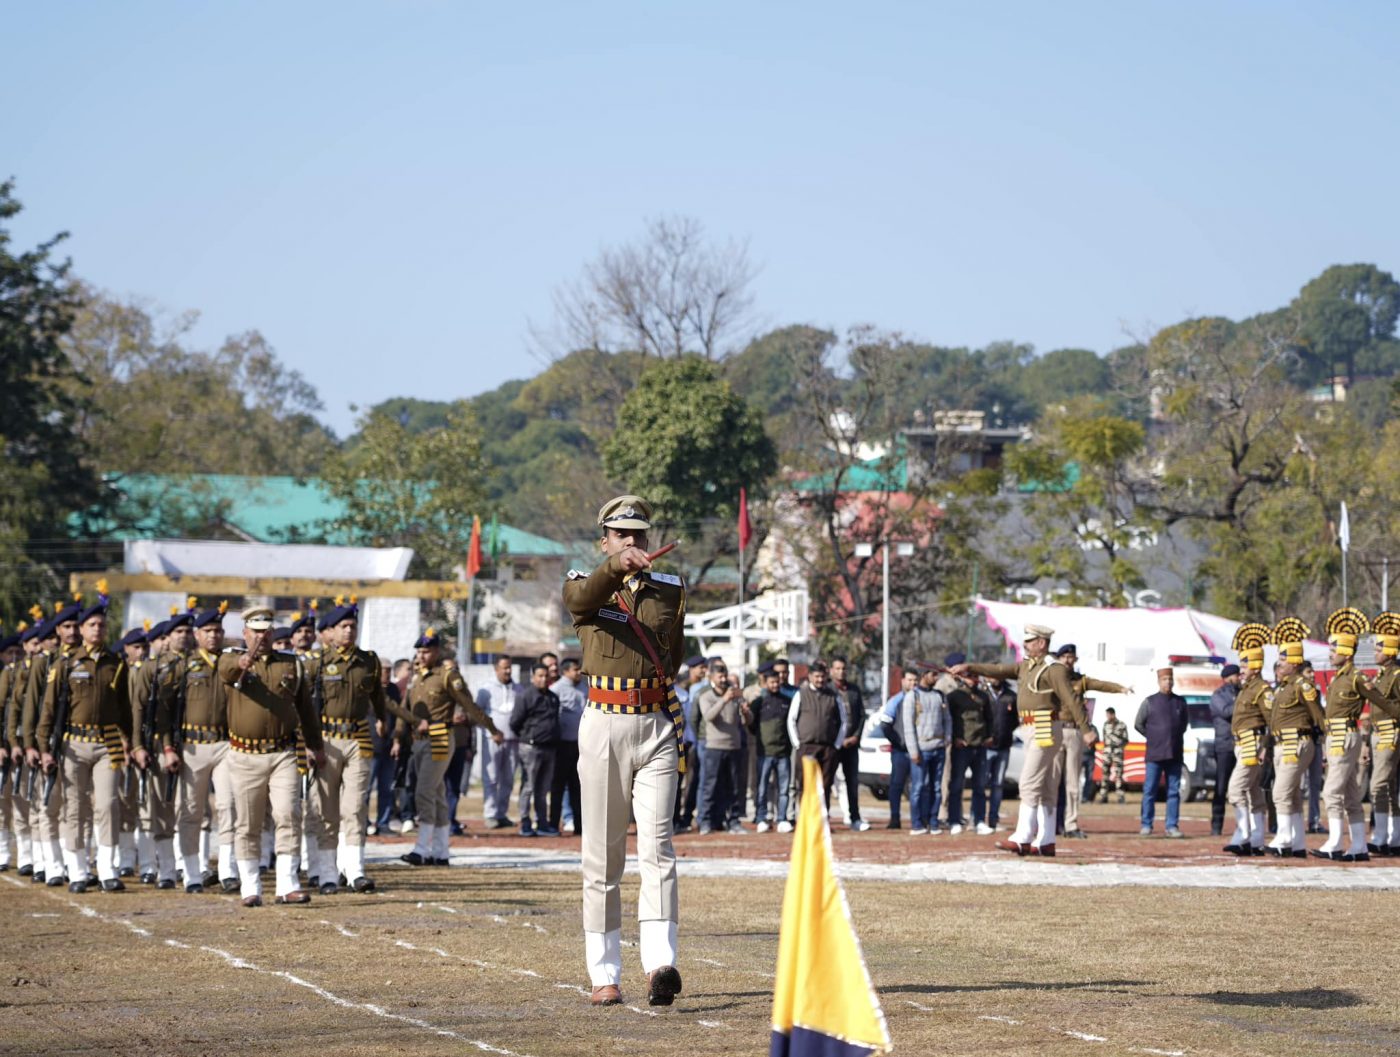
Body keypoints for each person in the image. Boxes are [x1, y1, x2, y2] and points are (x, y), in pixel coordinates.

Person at [563, 494, 686, 1007]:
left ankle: (660, 964)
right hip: (604, 724)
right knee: (604, 855)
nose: (632, 541)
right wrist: (617, 568)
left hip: (656, 724)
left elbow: (675, 655)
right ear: (605, 541)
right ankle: (604, 973)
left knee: (658, 848)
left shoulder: (671, 589)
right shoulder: (583, 585)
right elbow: (582, 598)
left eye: (638, 533)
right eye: (621, 534)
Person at [304, 599, 415, 891]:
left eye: (353, 626)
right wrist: (307, 742)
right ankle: (328, 873)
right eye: (344, 626)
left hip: (358, 738)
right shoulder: (317, 662)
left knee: (354, 808)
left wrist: (381, 719)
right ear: (331, 630)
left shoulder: (368, 660)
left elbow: (378, 696)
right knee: (326, 810)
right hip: (325, 739)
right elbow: (302, 703)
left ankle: (355, 871)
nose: (349, 631)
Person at [217, 606, 325, 906]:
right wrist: (244, 660)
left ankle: (287, 884)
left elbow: (306, 709)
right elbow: (227, 669)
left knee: (288, 814)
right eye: (255, 632)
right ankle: (250, 886)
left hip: (282, 753)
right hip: (245, 754)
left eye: (266, 631)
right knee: (248, 823)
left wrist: (316, 745)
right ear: (245, 633)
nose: (261, 637)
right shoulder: (230, 658)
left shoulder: (291, 664)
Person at [953, 624, 1091, 857]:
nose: (1025, 645)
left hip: (1045, 725)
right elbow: (998, 669)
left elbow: (1071, 698)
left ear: (1042, 643)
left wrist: (1085, 729)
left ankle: (1023, 837)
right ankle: (1046, 840)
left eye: (1029, 641)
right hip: (1030, 726)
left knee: (1028, 782)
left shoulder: (1053, 668)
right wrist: (970, 667)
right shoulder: (1027, 665)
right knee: (1045, 785)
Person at [37, 592, 130, 892]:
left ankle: (107, 870)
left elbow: (125, 708)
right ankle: (77, 871)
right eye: (92, 625)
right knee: (75, 807)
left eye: (101, 625)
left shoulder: (116, 663)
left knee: (107, 805)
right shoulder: (65, 663)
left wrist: (131, 742)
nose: (97, 630)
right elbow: (48, 709)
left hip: (108, 743)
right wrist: (44, 749)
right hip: (73, 743)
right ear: (82, 629)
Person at [398, 629, 502, 865]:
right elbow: (406, 708)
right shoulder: (417, 677)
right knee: (436, 795)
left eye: (426, 651)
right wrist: (397, 737)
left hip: (440, 738)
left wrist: (492, 729)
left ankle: (422, 849)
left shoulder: (447, 676)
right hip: (419, 740)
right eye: (419, 652)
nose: (421, 656)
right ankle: (441, 851)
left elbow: (470, 705)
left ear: (436, 651)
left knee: (424, 791)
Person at [162, 603, 240, 893]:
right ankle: (192, 872)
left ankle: (228, 870)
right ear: (197, 634)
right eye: (207, 630)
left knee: (229, 806)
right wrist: (168, 747)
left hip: (225, 744)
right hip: (192, 746)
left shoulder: (230, 663)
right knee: (191, 811)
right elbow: (166, 711)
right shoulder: (184, 665)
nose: (213, 635)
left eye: (218, 630)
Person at [1313, 608, 1387, 861]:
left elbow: (1382, 702)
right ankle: (1359, 846)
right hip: (1335, 737)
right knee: (1351, 795)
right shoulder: (1337, 678)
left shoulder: (1357, 677)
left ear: (1346, 653)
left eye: (1334, 650)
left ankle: (1335, 842)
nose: (1330, 654)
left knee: (1331, 792)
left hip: (1345, 737)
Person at [1054, 644, 1129, 839]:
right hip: (1055, 729)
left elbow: (1099, 684)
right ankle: (1050, 823)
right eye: (1064, 657)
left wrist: (1120, 688)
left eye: (1071, 657)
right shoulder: (1051, 678)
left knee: (1072, 782)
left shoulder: (1080, 681)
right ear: (1058, 659)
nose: (1068, 661)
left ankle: (1070, 824)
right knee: (1052, 781)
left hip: (1074, 731)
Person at [1266, 619, 1324, 857]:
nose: (1280, 663)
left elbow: (1318, 716)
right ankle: (1298, 842)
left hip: (1296, 743)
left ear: (1295, 661)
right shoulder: (1284, 686)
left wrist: (1327, 741)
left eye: (1284, 659)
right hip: (1282, 743)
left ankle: (1284, 838)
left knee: (1280, 792)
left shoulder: (1302, 685)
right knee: (1293, 794)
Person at [1223, 624, 1273, 855]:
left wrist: (1265, 747)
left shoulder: (1262, 689)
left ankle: (1242, 834)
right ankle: (1256, 839)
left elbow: (1272, 720)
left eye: (1245, 665)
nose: (1241, 670)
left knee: (1235, 789)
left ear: (1256, 666)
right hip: (1242, 743)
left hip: (1252, 744)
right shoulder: (1246, 688)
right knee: (1253, 793)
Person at [1134, 666, 1188, 838]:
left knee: (1173, 791)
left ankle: (1171, 826)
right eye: (1165, 679)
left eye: (1170, 679)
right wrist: (1153, 736)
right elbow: (1138, 724)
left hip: (1174, 754)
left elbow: (1183, 725)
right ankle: (1146, 824)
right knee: (1150, 790)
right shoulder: (1149, 702)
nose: (1168, 682)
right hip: (1154, 754)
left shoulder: (1180, 702)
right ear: (1159, 681)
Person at [510, 662, 560, 837]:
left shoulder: (553, 697)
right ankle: (525, 822)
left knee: (543, 790)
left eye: (546, 676)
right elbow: (515, 722)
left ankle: (542, 823)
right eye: (540, 676)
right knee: (528, 787)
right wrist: (528, 737)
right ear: (533, 678)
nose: (543, 679)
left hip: (549, 749)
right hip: (530, 748)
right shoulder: (525, 696)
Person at [697, 659, 747, 834]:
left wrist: (746, 711)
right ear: (711, 677)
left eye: (725, 675)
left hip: (734, 746)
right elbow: (708, 716)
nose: (723, 679)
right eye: (720, 676)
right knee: (710, 786)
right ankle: (705, 821)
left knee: (733, 787)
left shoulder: (735, 696)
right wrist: (724, 700)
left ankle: (734, 821)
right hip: (714, 747)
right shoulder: (706, 697)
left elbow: (746, 721)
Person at [945, 662, 994, 835]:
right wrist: (955, 738)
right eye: (969, 676)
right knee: (956, 785)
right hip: (962, 746)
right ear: (962, 678)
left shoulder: (983, 696)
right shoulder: (954, 696)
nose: (973, 680)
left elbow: (989, 718)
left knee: (980, 786)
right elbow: (949, 720)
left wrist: (989, 736)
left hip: (979, 746)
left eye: (975, 676)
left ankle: (978, 820)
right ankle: (954, 820)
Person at [787, 660, 845, 806]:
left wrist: (837, 745)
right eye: (817, 676)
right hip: (806, 746)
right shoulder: (801, 694)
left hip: (827, 748)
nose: (820, 680)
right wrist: (797, 744)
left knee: (825, 785)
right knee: (805, 784)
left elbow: (843, 721)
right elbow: (791, 719)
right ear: (810, 676)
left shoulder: (834, 696)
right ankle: (805, 817)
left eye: (822, 676)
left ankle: (823, 816)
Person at [900, 667, 949, 836]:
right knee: (919, 787)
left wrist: (947, 739)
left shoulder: (939, 695)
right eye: (933, 674)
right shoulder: (912, 697)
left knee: (936, 788)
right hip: (921, 749)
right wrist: (913, 751)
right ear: (924, 675)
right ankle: (917, 823)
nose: (936, 678)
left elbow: (947, 719)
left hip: (938, 747)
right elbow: (908, 726)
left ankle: (933, 822)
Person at [1368, 612, 1400, 855]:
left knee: (1378, 785)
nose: (1375, 652)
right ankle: (1394, 838)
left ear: (1390, 652)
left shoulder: (1397, 676)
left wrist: (1375, 695)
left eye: (1379, 649)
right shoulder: (1381, 675)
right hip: (1378, 733)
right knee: (1389, 788)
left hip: (1390, 734)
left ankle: (1380, 836)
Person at [475, 656, 519, 829]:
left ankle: (501, 813)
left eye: (509, 668)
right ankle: (490, 814)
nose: (507, 671)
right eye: (504, 668)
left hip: (513, 740)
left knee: (508, 779)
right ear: (496, 669)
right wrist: (490, 732)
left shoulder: (519, 689)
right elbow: (478, 713)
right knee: (491, 778)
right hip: (492, 740)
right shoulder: (486, 689)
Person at [747, 665, 793, 833]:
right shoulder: (758, 702)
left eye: (777, 682)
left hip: (783, 753)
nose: (775, 685)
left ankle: (782, 818)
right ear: (765, 683)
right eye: (772, 682)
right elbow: (751, 725)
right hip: (764, 753)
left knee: (784, 789)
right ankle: (761, 818)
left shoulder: (787, 701)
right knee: (762, 788)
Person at [828, 657, 869, 832]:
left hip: (851, 745)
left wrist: (856, 736)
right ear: (831, 670)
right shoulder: (828, 690)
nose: (841, 672)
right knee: (827, 782)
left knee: (852, 782)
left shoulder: (854, 690)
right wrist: (836, 739)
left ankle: (855, 818)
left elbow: (861, 715)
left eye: (843, 668)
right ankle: (824, 818)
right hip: (833, 745)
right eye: (837, 668)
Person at [877, 670, 918, 829]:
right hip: (901, 752)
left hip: (918, 752)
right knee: (896, 785)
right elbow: (885, 725)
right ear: (903, 681)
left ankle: (918, 819)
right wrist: (898, 742)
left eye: (915, 680)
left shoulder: (920, 699)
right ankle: (895, 818)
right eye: (909, 680)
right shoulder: (896, 701)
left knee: (918, 786)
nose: (912, 683)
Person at [549, 658, 586, 837]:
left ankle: (580, 826)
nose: (579, 672)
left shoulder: (585, 688)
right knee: (558, 787)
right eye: (575, 669)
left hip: (580, 746)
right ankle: (553, 825)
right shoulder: (556, 689)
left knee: (577, 787)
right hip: (562, 745)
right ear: (565, 671)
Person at [1208, 663, 1242, 837]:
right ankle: (1216, 824)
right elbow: (1227, 712)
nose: (1239, 678)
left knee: (1242, 787)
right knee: (1221, 787)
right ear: (1228, 678)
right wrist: (1242, 703)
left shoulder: (1241, 692)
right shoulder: (1218, 695)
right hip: (1224, 746)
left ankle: (1242, 825)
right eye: (1236, 675)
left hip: (1242, 745)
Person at [986, 676, 1017, 828]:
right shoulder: (983, 694)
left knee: (998, 784)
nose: (995, 679)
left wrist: (1006, 733)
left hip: (1004, 746)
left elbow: (1015, 720)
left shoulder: (1011, 696)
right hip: (985, 747)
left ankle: (993, 819)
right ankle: (977, 819)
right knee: (980, 784)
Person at [1099, 707, 1130, 804]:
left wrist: (1118, 746)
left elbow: (1126, 740)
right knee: (1105, 774)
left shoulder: (1121, 725)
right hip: (1107, 753)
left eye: (1108, 714)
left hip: (1118, 753)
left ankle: (1120, 796)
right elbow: (1104, 739)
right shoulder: (1105, 724)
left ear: (1113, 714)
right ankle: (1103, 796)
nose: (1107, 716)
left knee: (1119, 775)